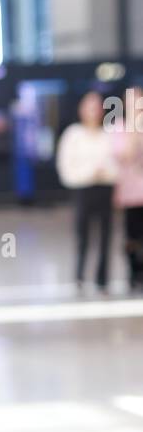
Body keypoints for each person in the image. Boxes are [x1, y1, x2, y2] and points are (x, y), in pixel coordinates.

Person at [56, 91, 118, 292]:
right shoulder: (73, 134)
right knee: (83, 235)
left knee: (105, 235)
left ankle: (103, 279)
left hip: (105, 188)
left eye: (96, 107)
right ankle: (80, 277)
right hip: (83, 189)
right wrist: (88, 173)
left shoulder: (108, 134)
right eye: (89, 106)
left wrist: (105, 173)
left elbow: (116, 164)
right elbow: (66, 166)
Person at [111, 87, 143, 291]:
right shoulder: (118, 128)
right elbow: (125, 155)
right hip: (130, 192)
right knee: (132, 235)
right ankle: (134, 272)